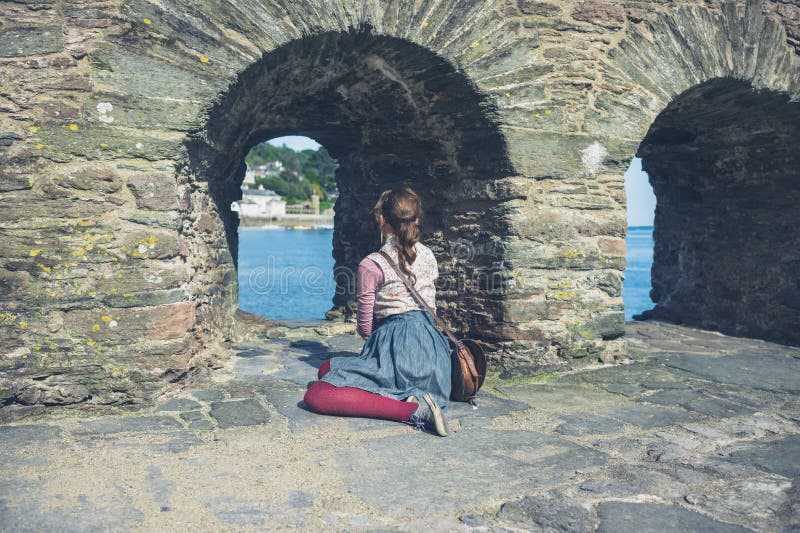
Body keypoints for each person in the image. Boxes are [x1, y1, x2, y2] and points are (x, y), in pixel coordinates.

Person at [303, 186, 453, 436]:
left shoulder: (372, 264)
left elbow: (365, 328)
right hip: (435, 355)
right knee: (327, 368)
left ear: (382, 220)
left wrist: (382, 347)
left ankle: (413, 412)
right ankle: (418, 398)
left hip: (398, 349)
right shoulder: (429, 255)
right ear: (416, 219)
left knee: (317, 394)